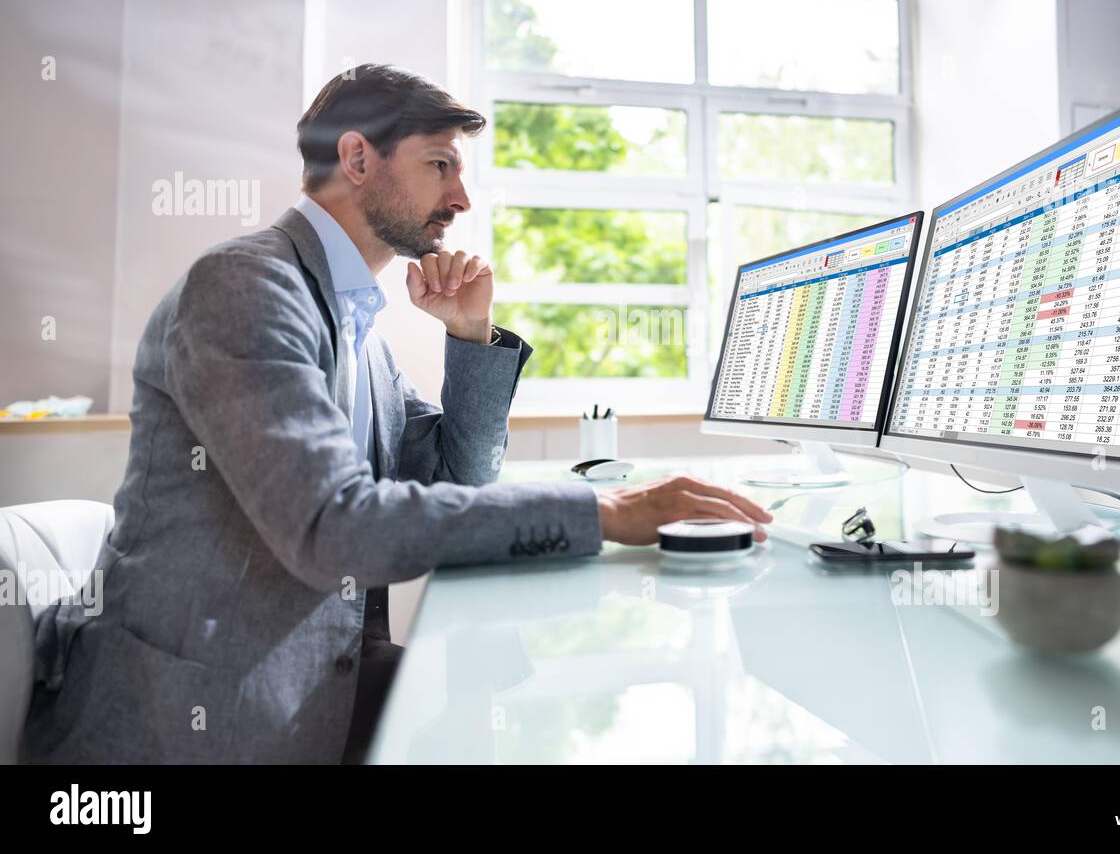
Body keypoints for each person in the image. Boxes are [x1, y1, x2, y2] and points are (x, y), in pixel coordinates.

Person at [23, 64, 771, 764]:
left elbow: (460, 476)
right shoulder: (246, 287)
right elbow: (331, 529)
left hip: (319, 678)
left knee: (526, 717)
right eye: (440, 165)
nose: (461, 199)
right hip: (196, 720)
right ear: (357, 159)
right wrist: (601, 510)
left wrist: (470, 337)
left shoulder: (356, 324)